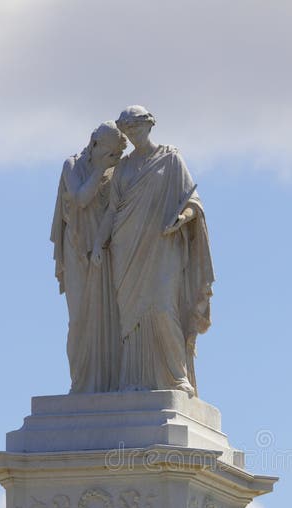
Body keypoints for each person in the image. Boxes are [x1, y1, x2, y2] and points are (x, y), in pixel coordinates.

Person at [92, 105, 214, 396]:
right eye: (128, 130)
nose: (133, 134)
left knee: (162, 307)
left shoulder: (170, 159)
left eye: (137, 127)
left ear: (149, 126)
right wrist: (99, 242)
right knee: (130, 318)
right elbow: (111, 211)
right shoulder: (122, 168)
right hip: (127, 247)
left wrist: (181, 219)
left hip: (163, 243)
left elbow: (193, 201)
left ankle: (176, 376)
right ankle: (133, 380)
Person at [50, 122, 127, 392]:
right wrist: (100, 169)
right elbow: (81, 198)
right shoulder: (72, 165)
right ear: (95, 144)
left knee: (109, 319)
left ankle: (108, 381)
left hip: (103, 250)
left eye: (118, 154)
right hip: (77, 250)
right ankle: (80, 382)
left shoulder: (115, 172)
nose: (115, 158)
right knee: (80, 318)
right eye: (111, 152)